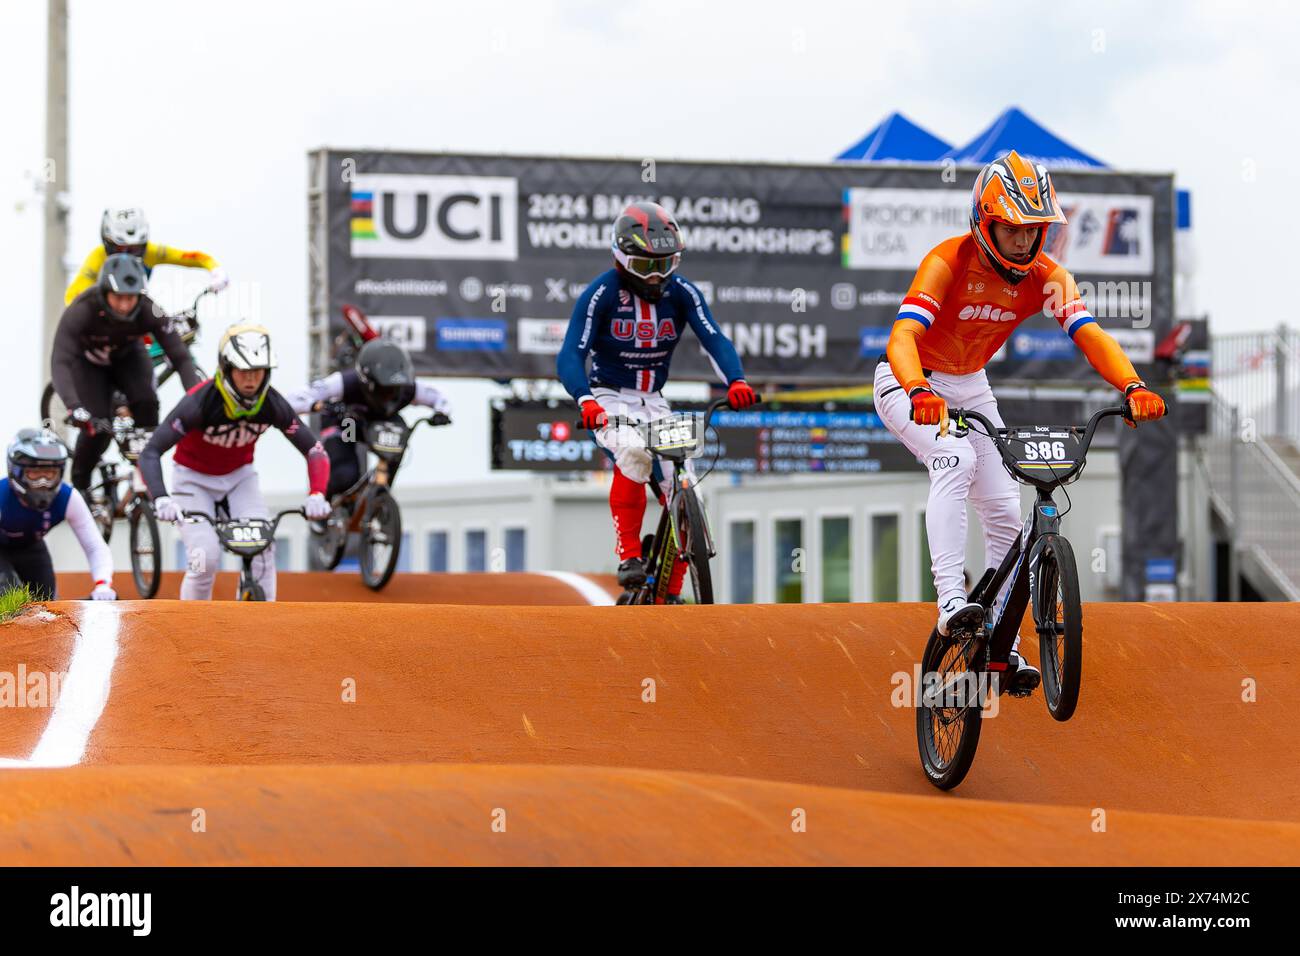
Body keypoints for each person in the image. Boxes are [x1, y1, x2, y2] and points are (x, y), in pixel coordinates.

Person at [876, 150, 1166, 691]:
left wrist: (1133, 385)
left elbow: (1090, 335)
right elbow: (902, 338)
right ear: (984, 223)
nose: (1023, 242)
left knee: (1008, 511)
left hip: (970, 383)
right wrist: (917, 389)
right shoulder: (948, 260)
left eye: (1034, 231)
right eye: (1012, 230)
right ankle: (950, 601)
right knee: (955, 457)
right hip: (907, 380)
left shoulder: (1048, 277)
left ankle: (1002, 647)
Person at [557, 201, 758, 601]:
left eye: (667, 264)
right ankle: (629, 555)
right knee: (633, 453)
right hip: (608, 398)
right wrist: (585, 401)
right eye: (648, 266)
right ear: (621, 257)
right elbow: (569, 354)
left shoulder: (682, 292)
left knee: (687, 490)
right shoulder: (601, 293)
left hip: (654, 401)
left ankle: (671, 590)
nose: (658, 276)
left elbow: (713, 338)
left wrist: (736, 380)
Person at [138, 324, 331, 601]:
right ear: (227, 369)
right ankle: (191, 629)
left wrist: (317, 492)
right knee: (205, 557)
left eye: (258, 371)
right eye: (243, 371)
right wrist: (160, 498)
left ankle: (261, 627)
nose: (251, 380)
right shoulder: (200, 402)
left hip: (240, 479)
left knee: (263, 548)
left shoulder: (272, 403)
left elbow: (314, 450)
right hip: (193, 480)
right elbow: (151, 451)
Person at [51, 254, 203, 496]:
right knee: (97, 427)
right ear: (104, 292)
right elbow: (60, 361)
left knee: (147, 403)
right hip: (89, 365)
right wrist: (74, 406)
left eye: (130, 298)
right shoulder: (82, 308)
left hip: (128, 358)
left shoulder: (148, 307)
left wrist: (197, 397)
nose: (124, 305)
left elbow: (180, 356)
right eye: (118, 297)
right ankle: (80, 487)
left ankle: (143, 470)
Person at [285, 337, 451, 500]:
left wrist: (441, 413)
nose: (390, 396)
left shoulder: (409, 388)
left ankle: (379, 498)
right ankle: (323, 503)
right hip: (348, 423)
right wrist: (317, 406)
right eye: (384, 390)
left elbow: (439, 397)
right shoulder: (345, 382)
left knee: (398, 436)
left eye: (395, 389)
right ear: (366, 381)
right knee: (345, 474)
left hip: (381, 422)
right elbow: (293, 399)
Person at [0, 429, 115, 600]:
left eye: (50, 474)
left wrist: (102, 585)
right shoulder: (2, 495)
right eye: (35, 474)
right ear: (16, 471)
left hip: (32, 547)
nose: (43, 482)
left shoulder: (68, 497)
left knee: (49, 606)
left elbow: (94, 546)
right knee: (9, 596)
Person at [64, 207, 228, 305]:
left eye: (135, 249)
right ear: (108, 244)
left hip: (139, 310)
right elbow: (72, 295)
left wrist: (215, 270)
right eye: (121, 249)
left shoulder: (151, 252)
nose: (127, 257)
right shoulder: (98, 257)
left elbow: (194, 257)